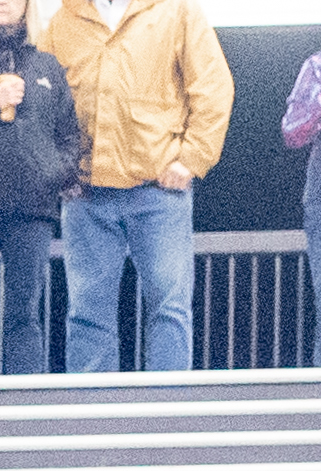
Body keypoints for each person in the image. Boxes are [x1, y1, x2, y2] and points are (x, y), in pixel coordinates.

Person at [50, 0, 229, 369]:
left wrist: (191, 158)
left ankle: (169, 415)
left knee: (169, 305)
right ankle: (89, 417)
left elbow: (213, 88)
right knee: (86, 312)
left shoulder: (177, 10)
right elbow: (44, 105)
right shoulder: (63, 19)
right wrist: (58, 170)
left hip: (159, 190)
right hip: (85, 192)